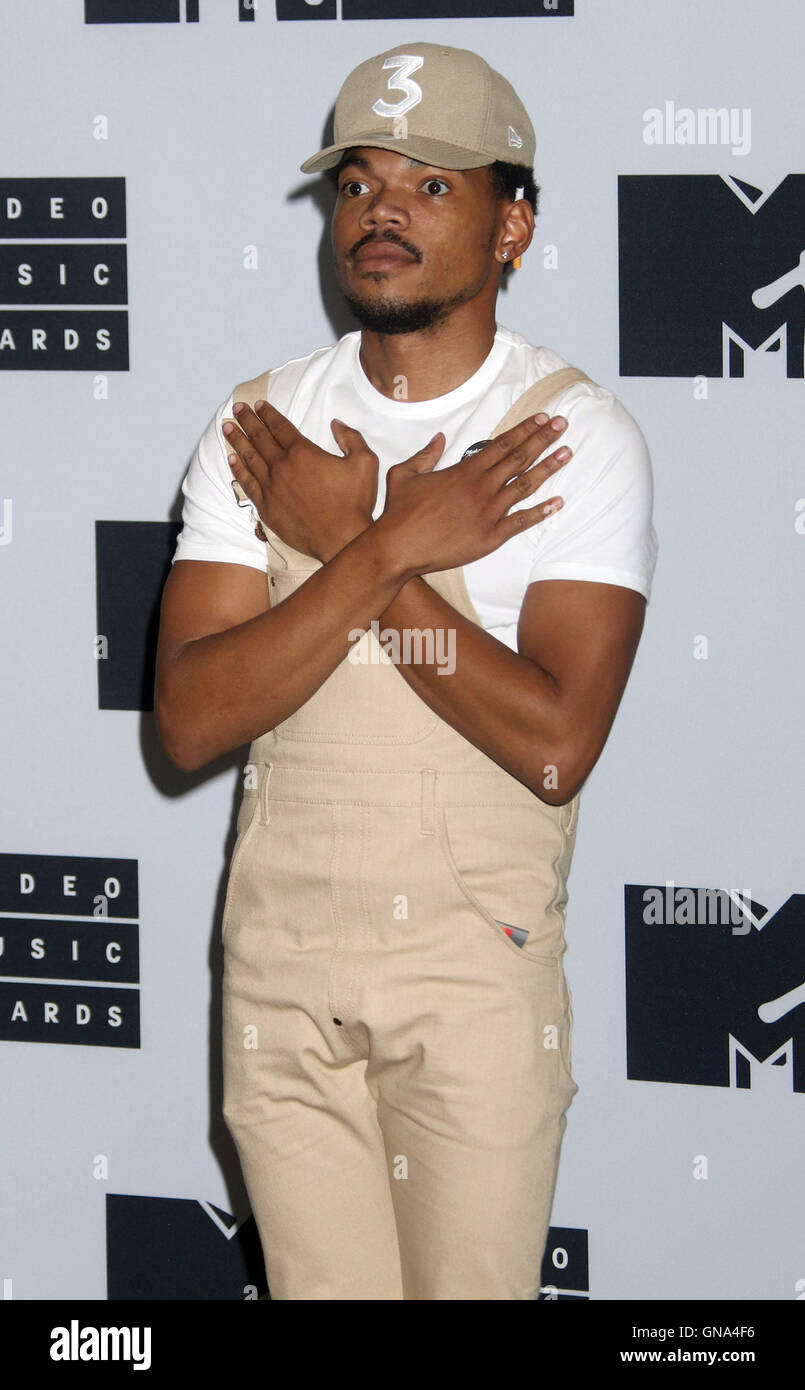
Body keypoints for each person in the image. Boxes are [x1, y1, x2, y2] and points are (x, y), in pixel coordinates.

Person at [155, 40, 658, 1301]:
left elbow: (551, 741)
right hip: (279, 969)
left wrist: (347, 550)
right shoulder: (259, 423)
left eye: (432, 184)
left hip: (470, 977)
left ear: (513, 225)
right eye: (360, 180)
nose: (381, 209)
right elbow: (193, 717)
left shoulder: (568, 438)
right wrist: (380, 547)